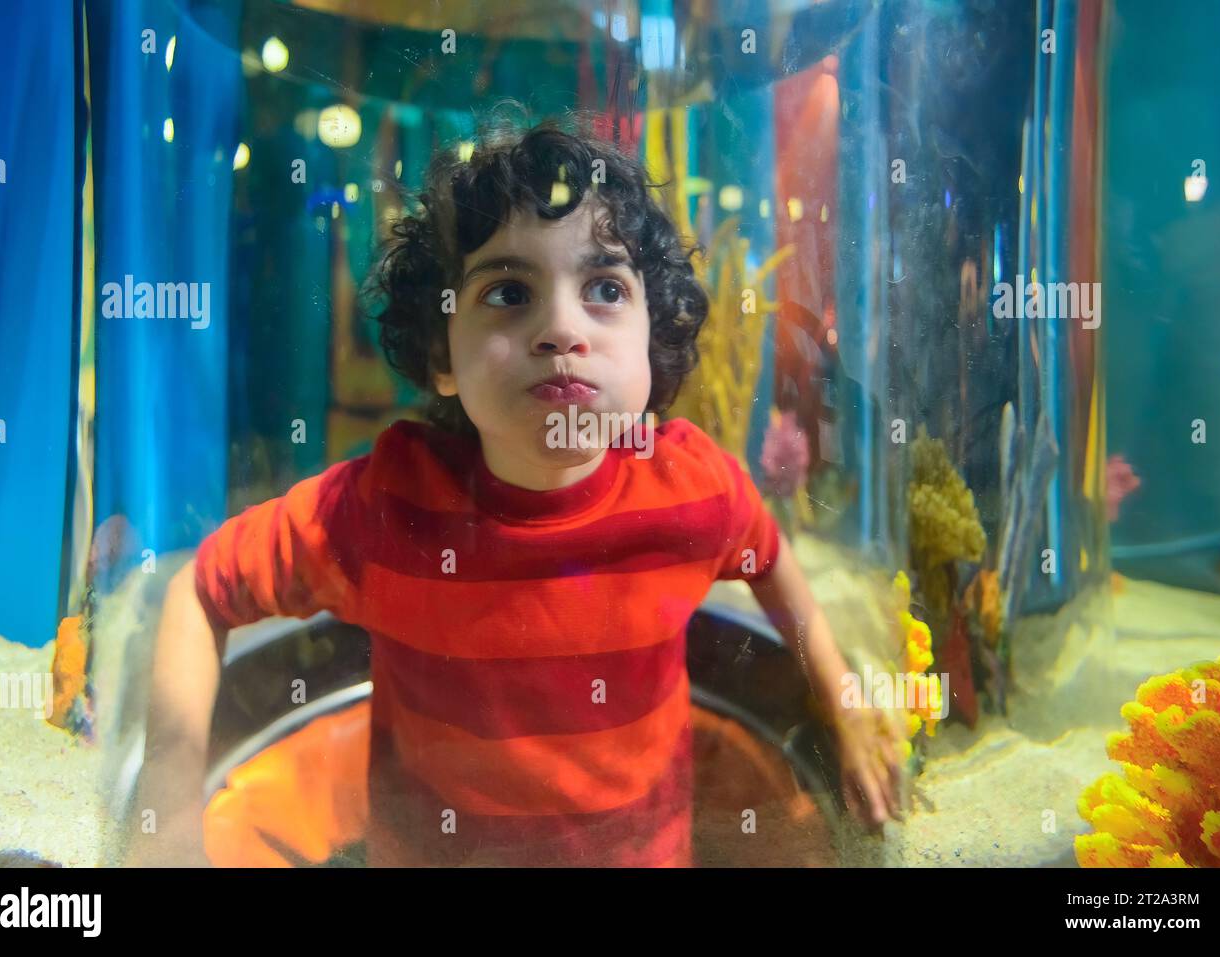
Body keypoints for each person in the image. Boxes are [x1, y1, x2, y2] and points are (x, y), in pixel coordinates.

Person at [126, 116, 903, 868]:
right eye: (507, 292)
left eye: (604, 287)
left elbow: (767, 556)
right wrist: (164, 805)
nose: (561, 328)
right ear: (441, 355)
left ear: (651, 338)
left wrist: (842, 696)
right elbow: (204, 590)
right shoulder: (383, 507)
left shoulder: (687, 487)